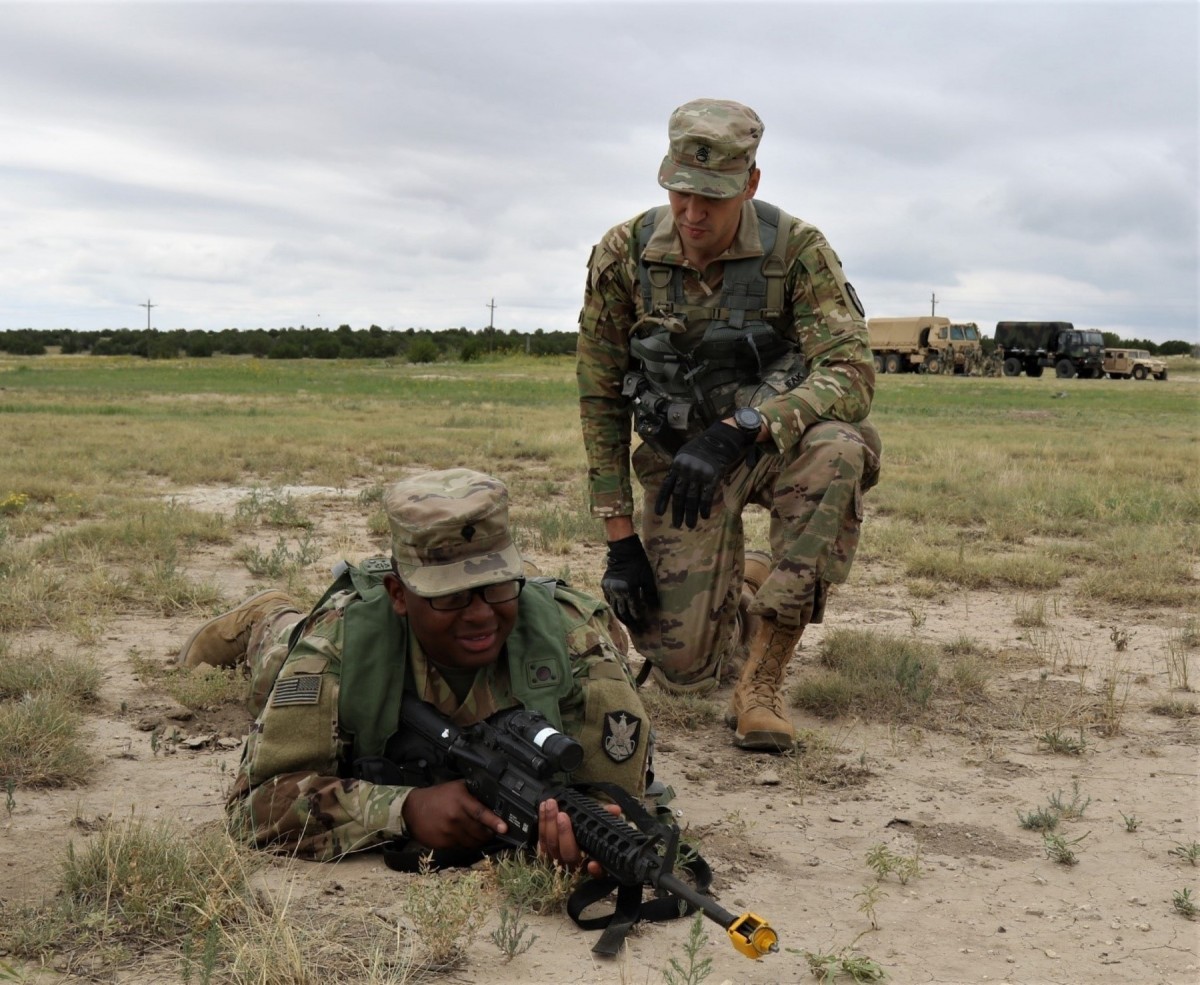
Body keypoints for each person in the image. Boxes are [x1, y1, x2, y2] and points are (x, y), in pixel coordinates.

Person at [577, 98, 881, 754]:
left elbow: (852, 373)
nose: (692, 214)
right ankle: (742, 579)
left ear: (750, 183)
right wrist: (619, 541)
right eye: (680, 192)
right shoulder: (623, 255)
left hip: (770, 445)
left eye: (711, 197)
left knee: (841, 449)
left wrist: (747, 425)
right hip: (681, 467)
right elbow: (599, 396)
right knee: (684, 671)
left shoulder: (797, 252)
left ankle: (763, 681)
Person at [178, 468, 649, 868]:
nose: (481, 613)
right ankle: (265, 615)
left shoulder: (575, 641)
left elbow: (619, 795)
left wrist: (588, 835)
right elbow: (253, 809)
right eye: (451, 596)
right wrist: (400, 810)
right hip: (311, 645)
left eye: (497, 587)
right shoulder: (336, 650)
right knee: (276, 660)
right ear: (399, 595)